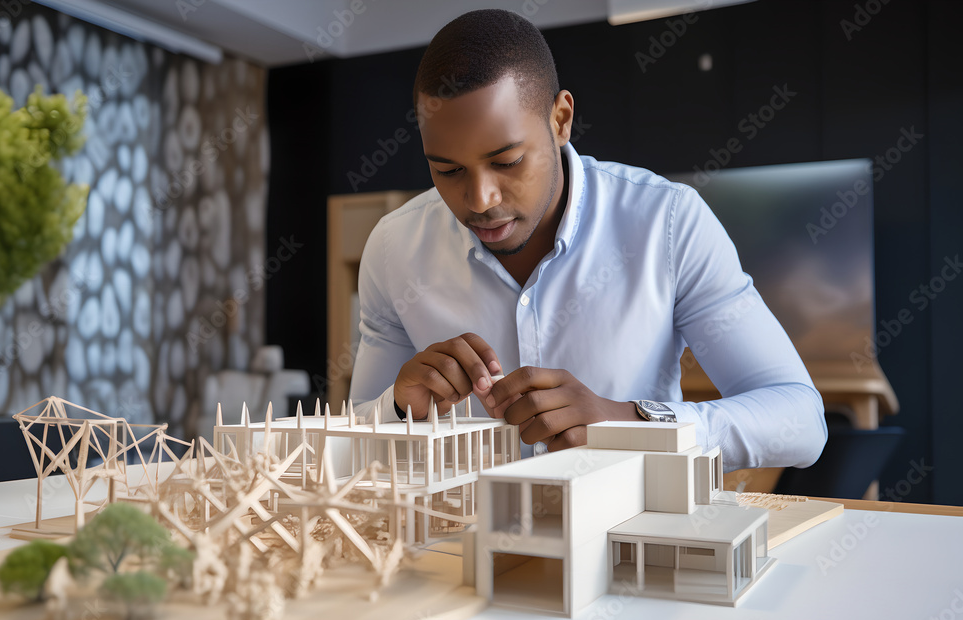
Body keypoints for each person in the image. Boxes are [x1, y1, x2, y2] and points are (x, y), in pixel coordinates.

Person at [349, 9, 826, 471]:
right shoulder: (394, 248)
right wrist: (395, 407)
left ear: (560, 119)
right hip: (458, 548)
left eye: (508, 161)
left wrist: (630, 422)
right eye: (447, 170)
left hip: (630, 543)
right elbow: (351, 450)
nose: (479, 199)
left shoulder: (668, 222)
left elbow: (801, 421)